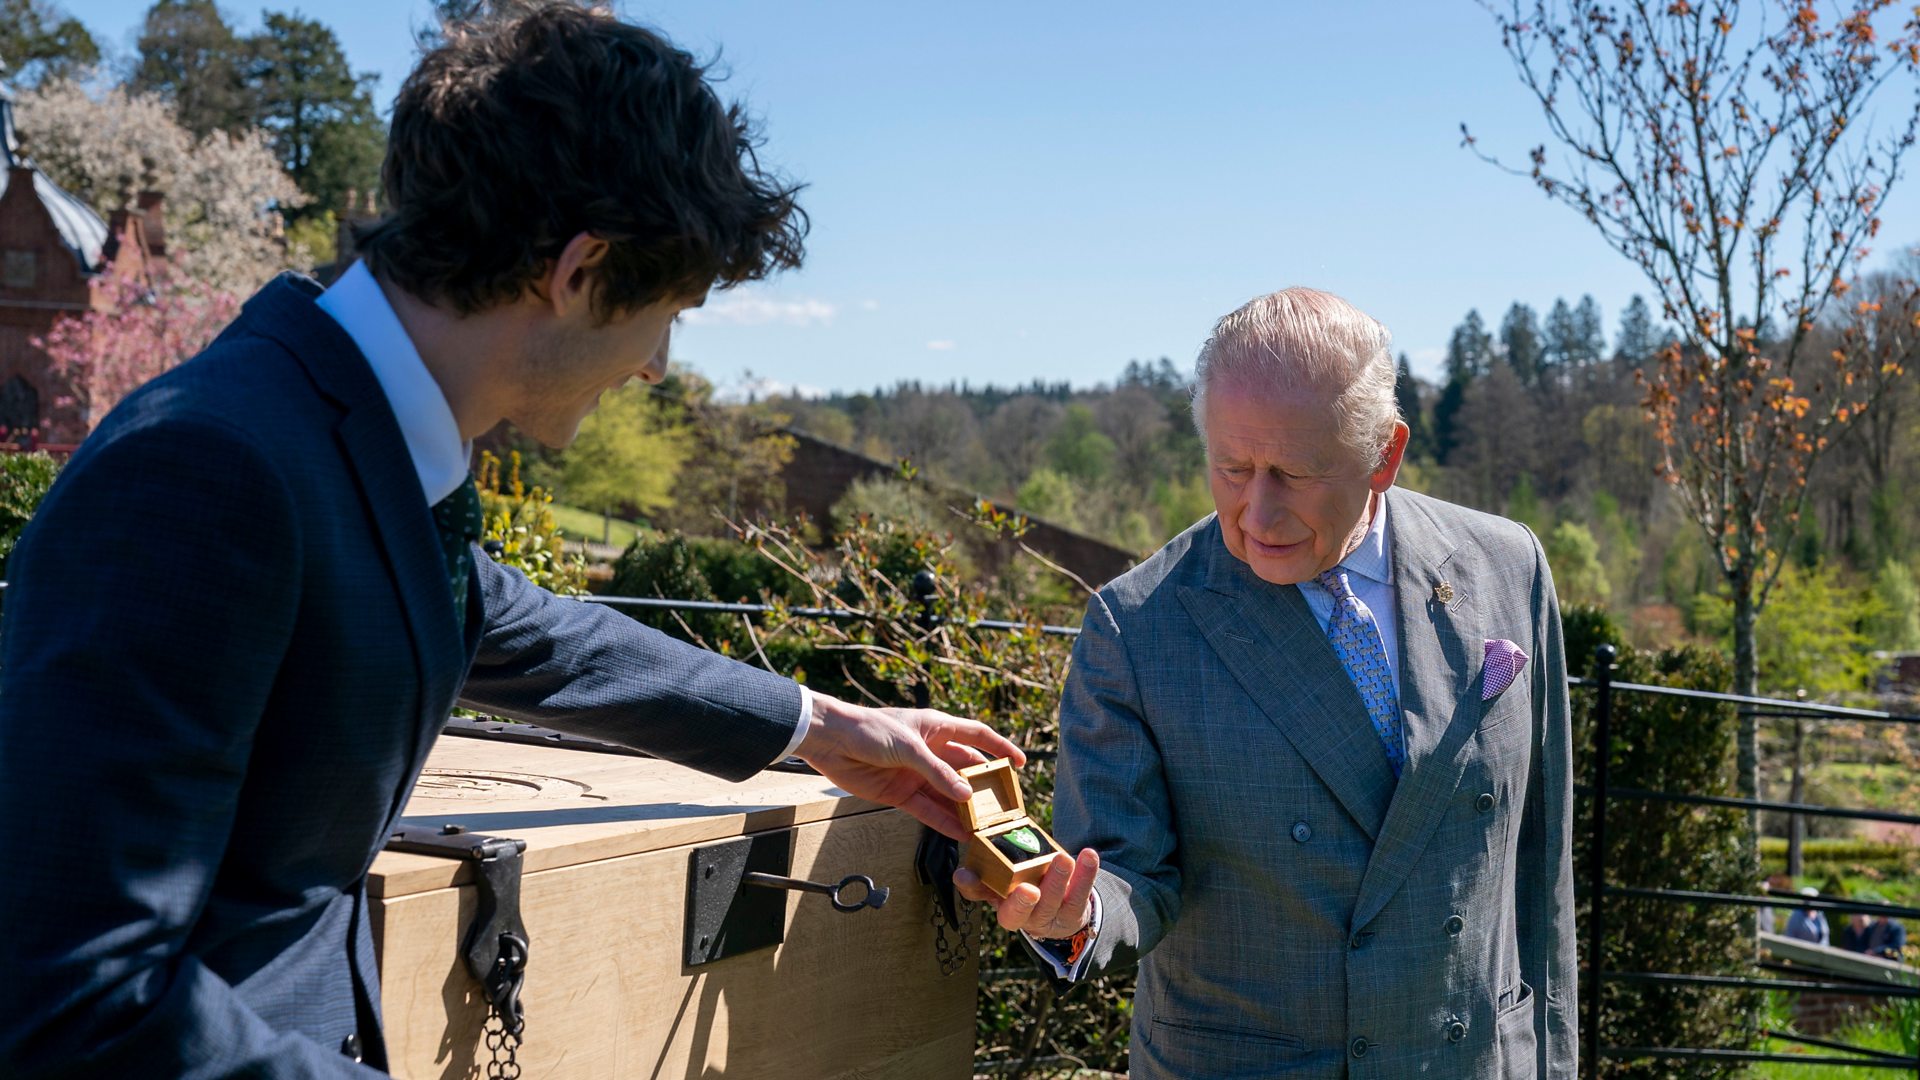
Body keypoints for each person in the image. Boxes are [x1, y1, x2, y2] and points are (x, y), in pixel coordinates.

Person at [0, 8, 1022, 1076]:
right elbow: (77, 1000)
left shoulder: (352, 435)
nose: (657, 365)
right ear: (581, 273)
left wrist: (828, 725)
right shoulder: (205, 471)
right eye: (665, 314)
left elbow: (521, 628)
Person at [957, 288, 1578, 1077]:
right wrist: (1073, 912)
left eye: (1294, 473)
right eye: (1233, 468)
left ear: (1384, 453)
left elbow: (1541, 869)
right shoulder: (1138, 627)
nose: (1257, 510)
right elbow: (1123, 874)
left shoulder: (1507, 565)